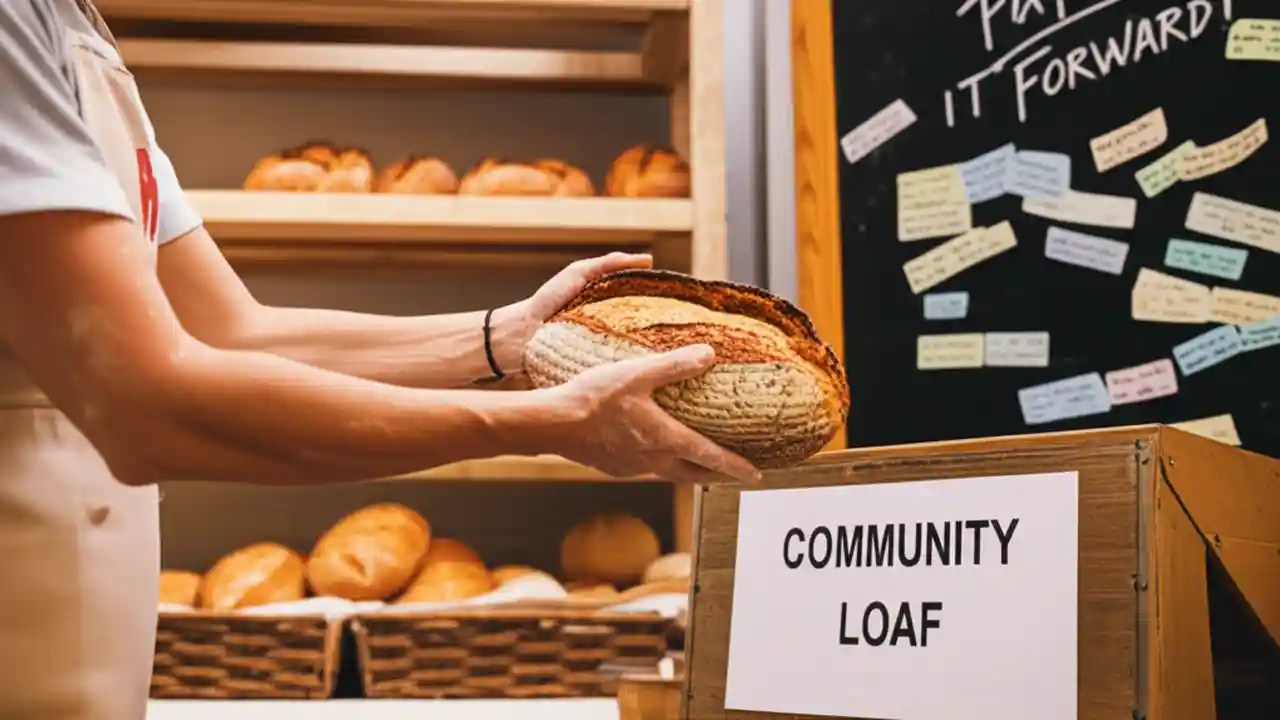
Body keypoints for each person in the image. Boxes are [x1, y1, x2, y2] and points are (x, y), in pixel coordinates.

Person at [0, 2, 758, 718]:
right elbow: (143, 400)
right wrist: (539, 423)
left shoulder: (74, 28)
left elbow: (234, 332)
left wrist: (506, 340)